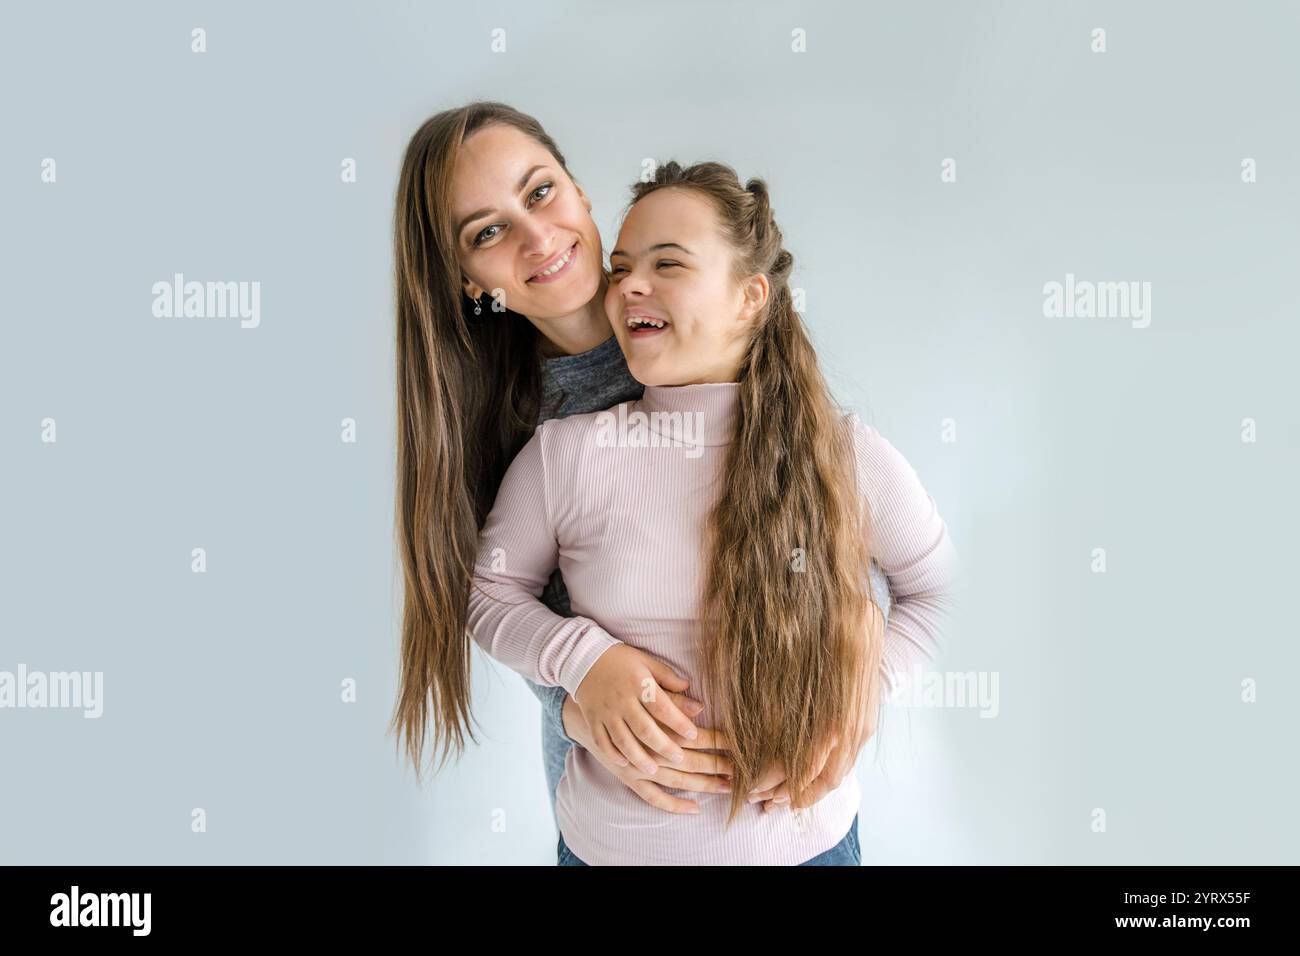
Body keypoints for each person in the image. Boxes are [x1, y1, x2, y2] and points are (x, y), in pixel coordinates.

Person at [466, 160, 961, 864]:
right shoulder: (566, 453)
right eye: (621, 267)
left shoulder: (839, 454)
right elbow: (488, 592)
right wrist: (582, 660)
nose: (631, 283)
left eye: (668, 263)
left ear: (750, 297)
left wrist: (867, 680)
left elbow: (940, 589)